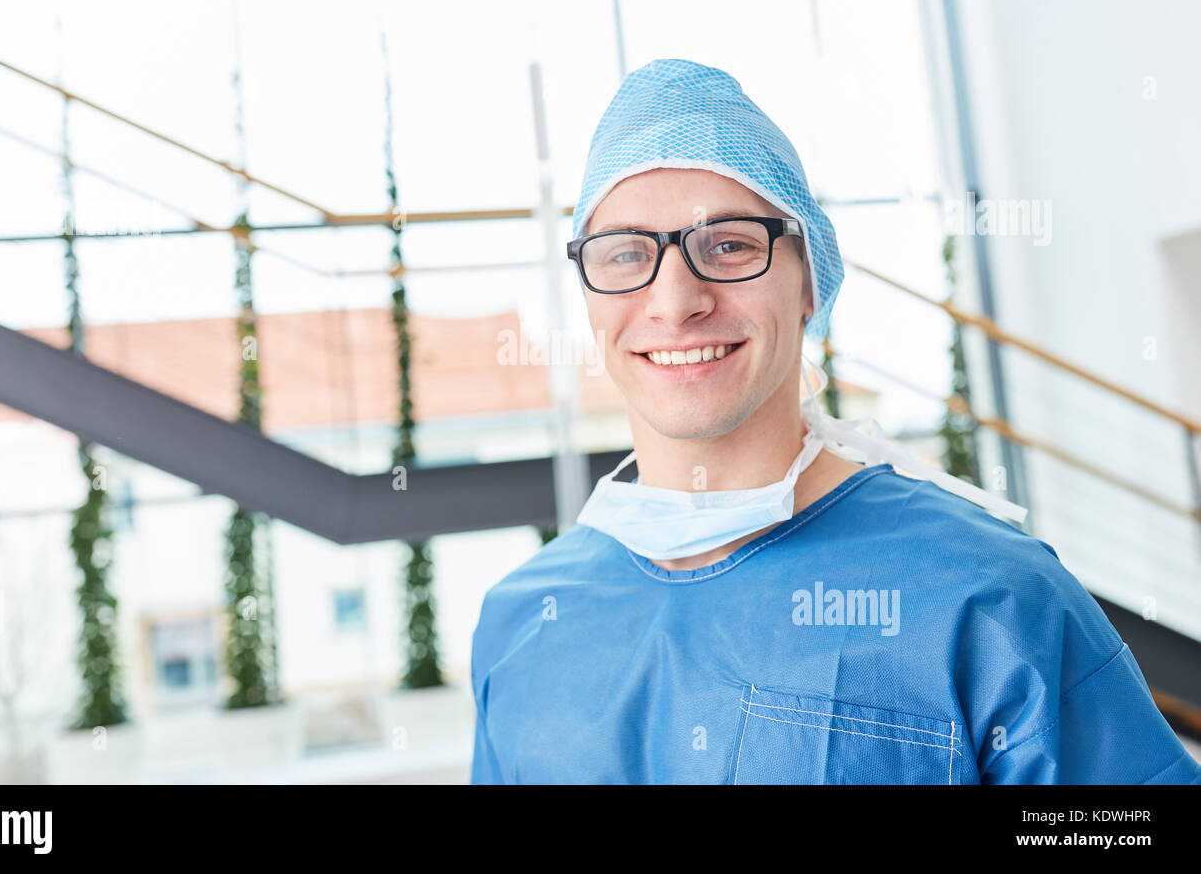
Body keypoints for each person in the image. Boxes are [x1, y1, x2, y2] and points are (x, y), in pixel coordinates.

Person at [468, 58, 1201, 784]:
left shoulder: (991, 600)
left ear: (811, 280)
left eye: (729, 245)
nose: (675, 300)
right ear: (590, 296)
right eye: (625, 253)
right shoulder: (523, 624)